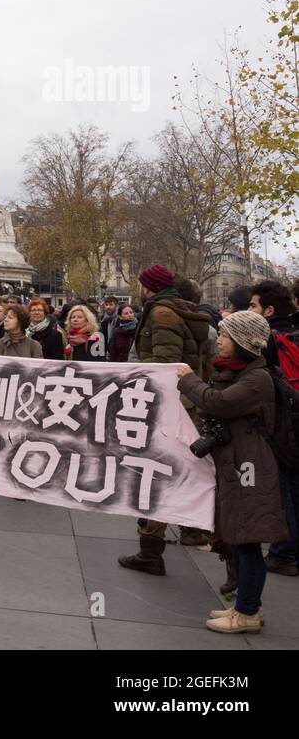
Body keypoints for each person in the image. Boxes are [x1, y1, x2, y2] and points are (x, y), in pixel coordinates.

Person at [175, 310, 288, 633]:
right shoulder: (238, 372)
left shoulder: (257, 378)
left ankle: (248, 612)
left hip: (251, 467)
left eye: (225, 335)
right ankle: (246, 606)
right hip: (238, 462)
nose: (220, 340)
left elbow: (219, 403)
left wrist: (189, 379)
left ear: (242, 342)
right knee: (239, 538)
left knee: (247, 539)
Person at [118, 264, 214, 574]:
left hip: (169, 405)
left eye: (141, 283)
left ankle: (152, 550)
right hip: (185, 403)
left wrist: (150, 400)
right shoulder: (177, 309)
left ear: (149, 287)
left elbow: (164, 364)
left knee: (156, 474)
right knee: (173, 473)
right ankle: (167, 540)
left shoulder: (162, 314)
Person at [248, 278, 299, 577]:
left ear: (268, 311)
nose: (249, 311)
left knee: (281, 489)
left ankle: (283, 552)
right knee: (295, 485)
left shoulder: (266, 341)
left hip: (279, 422)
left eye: (253, 306)